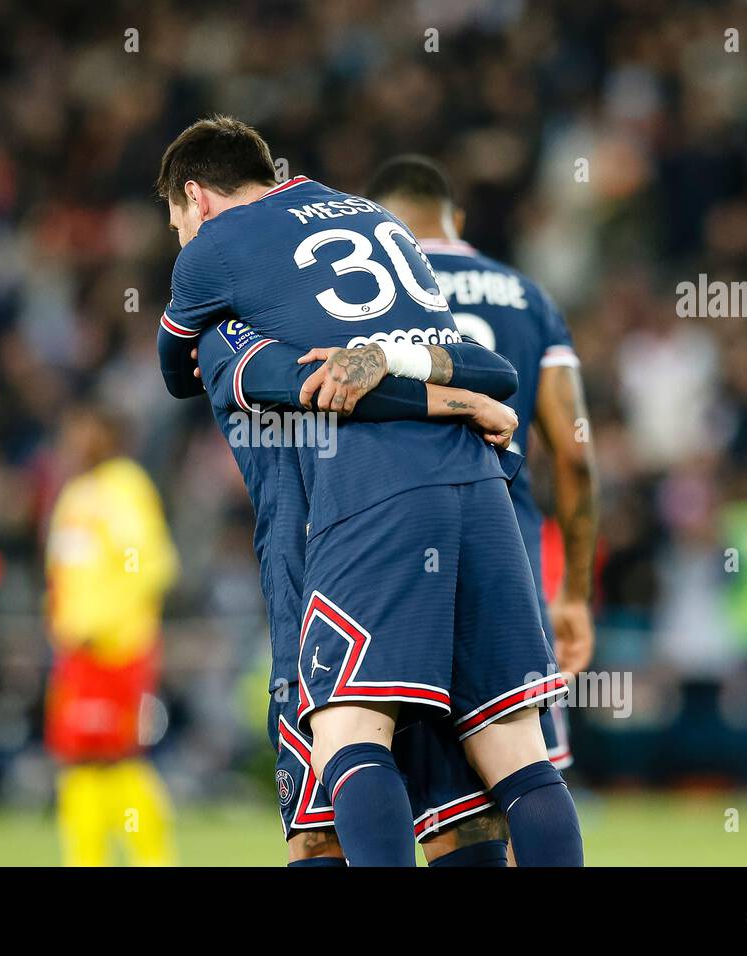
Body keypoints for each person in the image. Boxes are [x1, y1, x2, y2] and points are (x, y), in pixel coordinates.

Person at [156, 116, 582, 866]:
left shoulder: (219, 313)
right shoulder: (367, 218)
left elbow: (284, 380)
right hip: (477, 486)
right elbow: (488, 374)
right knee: (506, 760)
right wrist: (444, 394)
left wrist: (381, 369)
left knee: (344, 756)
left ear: (195, 199)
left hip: (347, 535)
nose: (182, 245)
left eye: (176, 224)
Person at [184, 317, 524, 866]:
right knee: (320, 831)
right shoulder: (228, 331)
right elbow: (328, 387)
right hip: (309, 596)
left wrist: (433, 384)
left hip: (381, 581)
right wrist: (462, 401)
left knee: (460, 819)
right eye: (181, 221)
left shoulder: (352, 313)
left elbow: (490, 369)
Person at [366, 155, 601, 794]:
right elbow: (575, 454)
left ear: (378, 225)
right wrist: (573, 591)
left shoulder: (368, 297)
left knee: (395, 782)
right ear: (457, 219)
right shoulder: (528, 296)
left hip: (395, 564)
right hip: (507, 560)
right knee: (524, 776)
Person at [43, 405, 178, 866]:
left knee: (120, 758)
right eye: (72, 431)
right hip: (76, 652)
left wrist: (98, 623)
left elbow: (154, 566)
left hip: (118, 648)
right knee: (76, 760)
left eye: (86, 430)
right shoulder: (75, 494)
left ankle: (153, 859)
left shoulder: (125, 487)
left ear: (108, 435)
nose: (76, 441)